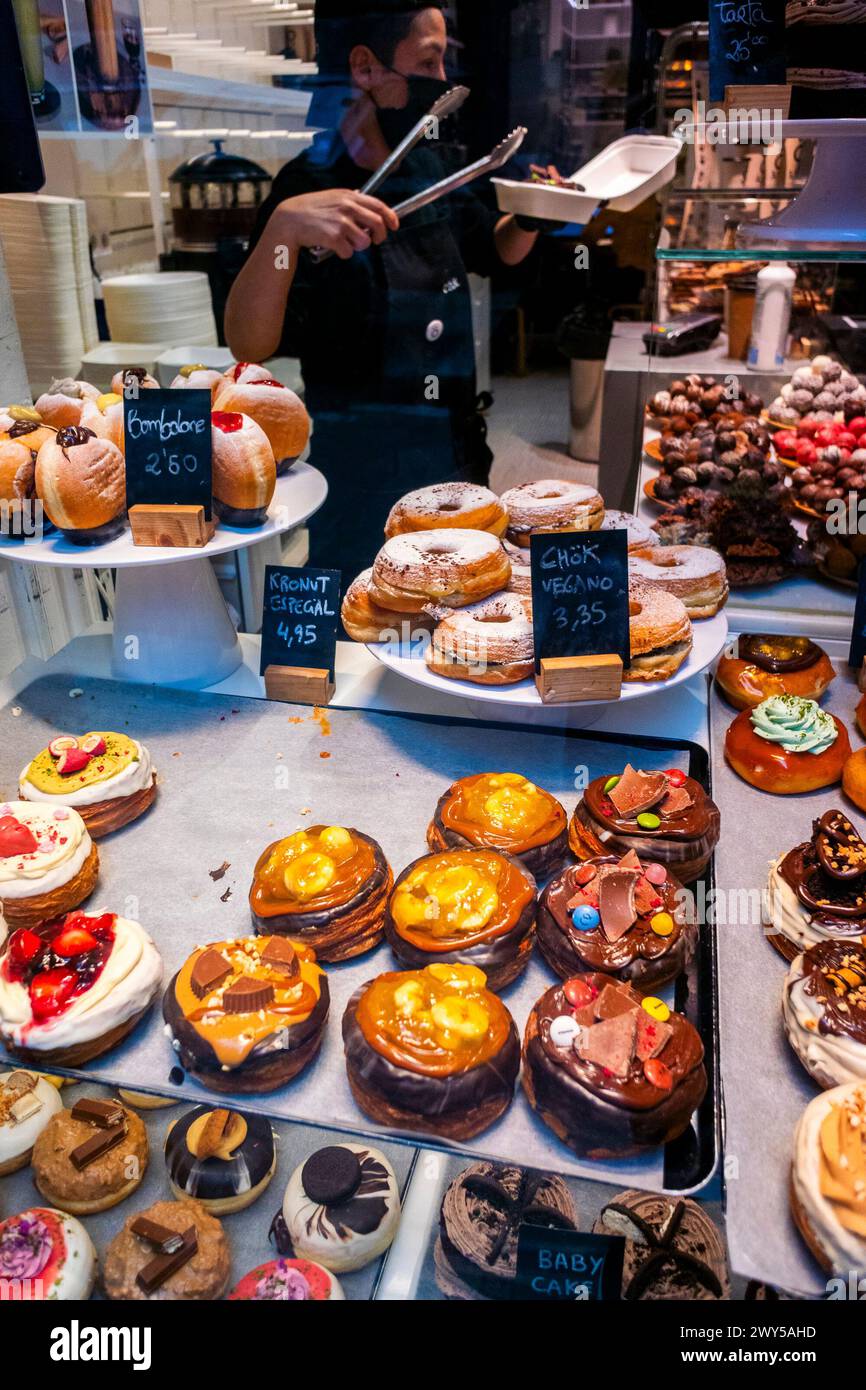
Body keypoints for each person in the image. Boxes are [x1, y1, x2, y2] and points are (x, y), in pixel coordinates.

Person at [224, 0, 540, 579]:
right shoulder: (304, 188)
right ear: (365, 67)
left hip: (455, 453)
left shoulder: (428, 166)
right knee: (372, 614)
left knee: (465, 604)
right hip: (362, 479)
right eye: (429, 62)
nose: (442, 80)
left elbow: (495, 249)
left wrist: (535, 214)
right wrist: (283, 230)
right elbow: (249, 343)